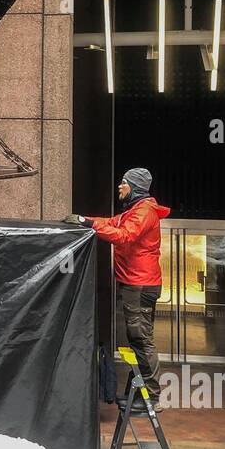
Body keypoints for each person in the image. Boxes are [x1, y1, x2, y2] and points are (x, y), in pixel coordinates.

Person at [70, 167, 171, 411]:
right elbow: (113, 223)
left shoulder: (144, 211)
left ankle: (151, 398)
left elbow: (124, 236)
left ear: (134, 187)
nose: (119, 186)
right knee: (137, 339)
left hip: (139, 284)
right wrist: (87, 220)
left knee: (141, 339)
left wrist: (90, 224)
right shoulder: (136, 210)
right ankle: (139, 394)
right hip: (135, 283)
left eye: (123, 183)